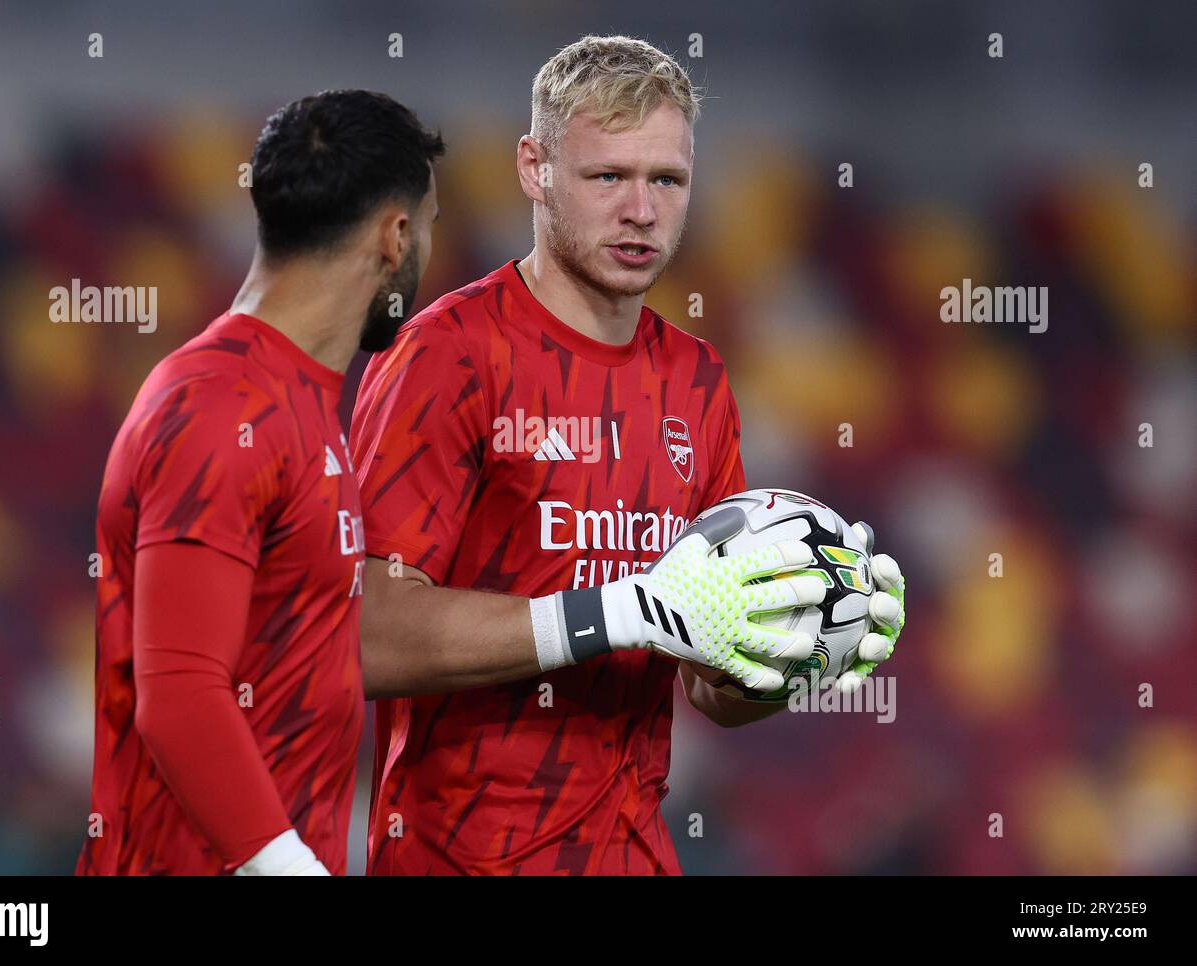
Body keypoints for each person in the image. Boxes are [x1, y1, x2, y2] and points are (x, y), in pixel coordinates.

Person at [350, 36, 905, 875]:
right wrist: (618, 609)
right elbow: (367, 637)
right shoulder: (448, 354)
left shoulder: (697, 380)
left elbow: (708, 689)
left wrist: (808, 645)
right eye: (608, 177)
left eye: (667, 180)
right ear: (534, 169)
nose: (642, 210)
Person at [77, 90, 443, 875]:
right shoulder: (218, 405)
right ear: (397, 234)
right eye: (431, 228)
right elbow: (178, 697)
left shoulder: (298, 403)